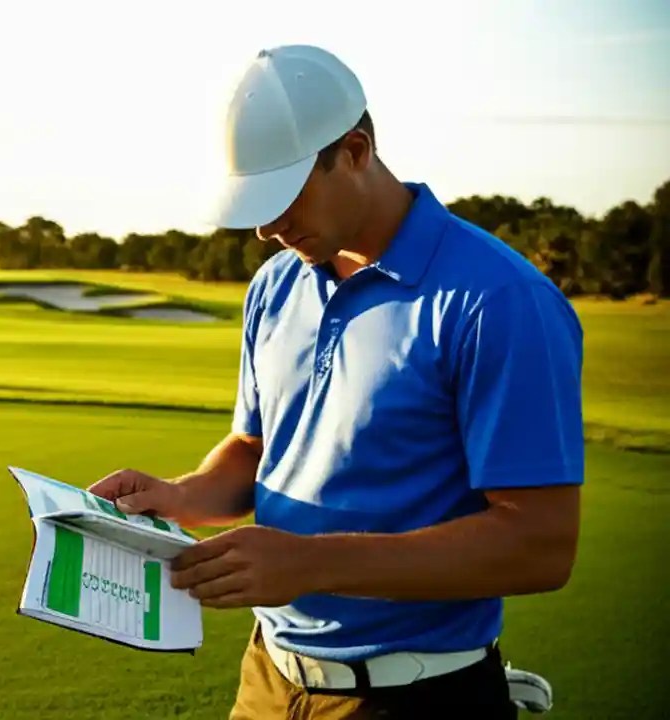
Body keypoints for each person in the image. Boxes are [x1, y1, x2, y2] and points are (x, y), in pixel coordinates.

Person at [88, 44, 583, 719]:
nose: (267, 228)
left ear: (354, 151)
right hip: (268, 679)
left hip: (416, 699)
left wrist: (310, 563)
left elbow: (541, 547)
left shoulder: (499, 300)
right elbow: (256, 449)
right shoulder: (276, 285)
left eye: (284, 195)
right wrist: (180, 496)